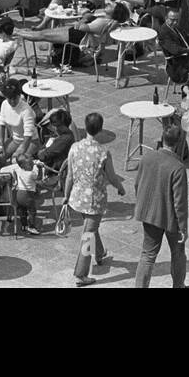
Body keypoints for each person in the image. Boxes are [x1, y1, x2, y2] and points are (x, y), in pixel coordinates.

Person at [63, 112, 124, 287]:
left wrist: (66, 196)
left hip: (77, 198)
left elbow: (70, 176)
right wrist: (120, 188)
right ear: (101, 129)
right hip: (95, 201)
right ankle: (81, 274)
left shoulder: (75, 147)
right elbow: (112, 177)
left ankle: (100, 253)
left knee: (91, 228)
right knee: (88, 235)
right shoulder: (103, 152)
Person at [133, 124, 188, 289]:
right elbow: (180, 202)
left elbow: (138, 185)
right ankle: (178, 286)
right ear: (179, 143)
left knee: (148, 255)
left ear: (162, 139)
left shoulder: (146, 158)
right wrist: (183, 228)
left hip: (149, 214)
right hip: (171, 219)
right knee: (178, 253)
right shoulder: (178, 167)